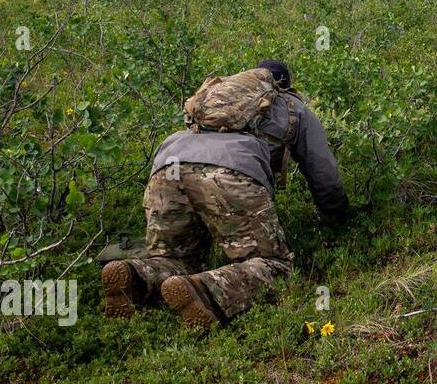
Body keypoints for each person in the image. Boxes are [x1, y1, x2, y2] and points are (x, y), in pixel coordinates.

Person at [102, 60, 348, 328]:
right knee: (273, 265)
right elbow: (323, 172)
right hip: (230, 172)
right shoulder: (292, 106)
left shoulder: (216, 98)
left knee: (175, 258)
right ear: (284, 86)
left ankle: (133, 275)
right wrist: (338, 217)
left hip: (168, 167)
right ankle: (203, 288)